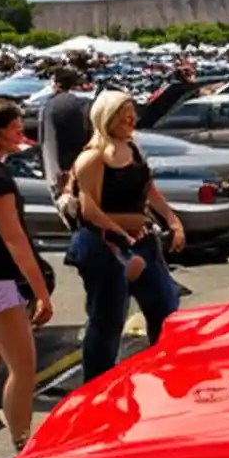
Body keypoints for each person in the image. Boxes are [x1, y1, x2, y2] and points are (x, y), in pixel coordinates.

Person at [65, 91, 183, 383]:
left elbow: (149, 191)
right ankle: (98, 387)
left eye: (133, 112)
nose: (132, 119)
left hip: (142, 242)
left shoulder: (134, 149)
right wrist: (122, 234)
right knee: (107, 321)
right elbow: (88, 207)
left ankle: (164, 372)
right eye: (123, 114)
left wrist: (172, 219)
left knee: (165, 307)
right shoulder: (92, 158)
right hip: (104, 247)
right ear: (106, 118)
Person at [0, 102, 53, 458]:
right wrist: (41, 293)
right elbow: (14, 238)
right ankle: (22, 445)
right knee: (23, 364)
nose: (21, 131)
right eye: (14, 127)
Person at [37, 67, 92, 197]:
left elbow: (46, 142)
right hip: (85, 169)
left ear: (57, 84)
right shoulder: (86, 102)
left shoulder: (51, 105)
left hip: (61, 173)